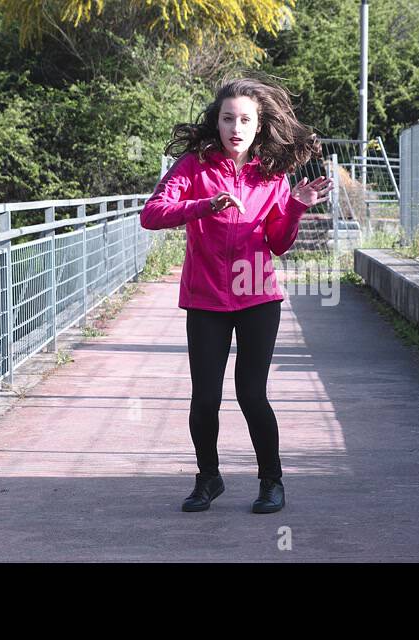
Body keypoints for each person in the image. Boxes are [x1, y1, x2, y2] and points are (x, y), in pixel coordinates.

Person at [140, 75, 333, 514]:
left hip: (257, 296)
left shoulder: (272, 174)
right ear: (218, 121)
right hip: (206, 298)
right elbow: (151, 215)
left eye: (246, 119)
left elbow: (279, 242)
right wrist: (205, 205)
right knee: (205, 399)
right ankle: (208, 478)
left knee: (251, 395)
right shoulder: (194, 166)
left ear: (260, 125)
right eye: (228, 118)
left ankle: (272, 482)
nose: (236, 127)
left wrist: (297, 205)